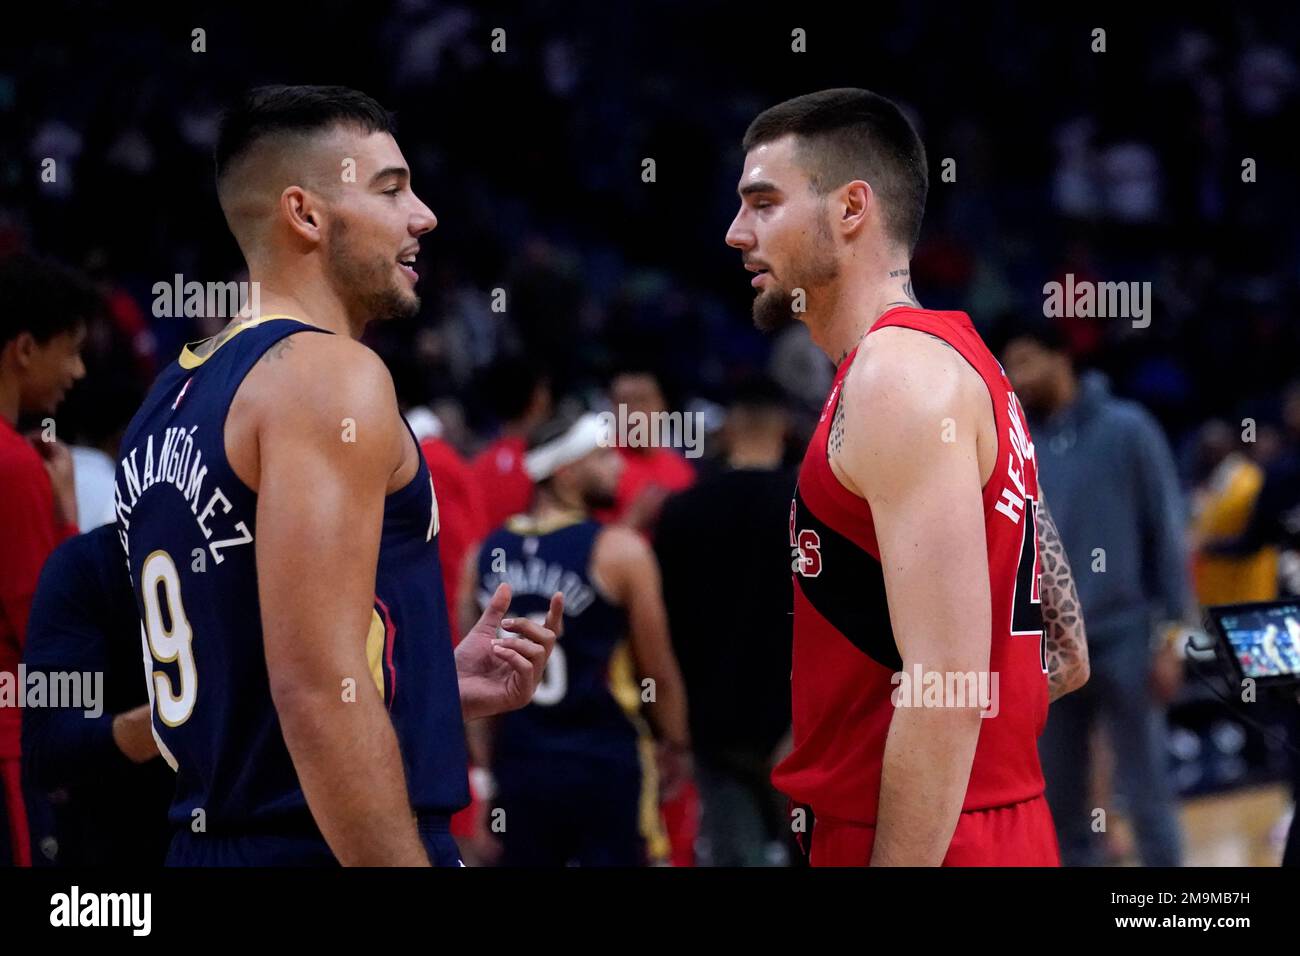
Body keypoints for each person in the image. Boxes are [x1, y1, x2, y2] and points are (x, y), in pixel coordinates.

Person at [111, 85, 559, 866]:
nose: (425, 216)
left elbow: (249, 668)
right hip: (324, 843)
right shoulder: (328, 374)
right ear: (306, 214)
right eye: (391, 190)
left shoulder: (168, 399)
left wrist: (419, 677)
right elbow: (316, 693)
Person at [724, 88, 1090, 866]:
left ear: (851, 208)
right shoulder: (963, 357)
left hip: (923, 831)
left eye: (762, 203)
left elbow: (947, 693)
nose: (736, 233)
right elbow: (1068, 643)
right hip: (988, 812)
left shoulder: (892, 379)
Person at [1000, 319, 1194, 867]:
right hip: (1051, 645)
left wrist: (1174, 635)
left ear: (1062, 357)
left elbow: (1167, 532)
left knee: (1148, 788)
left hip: (1127, 634)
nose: (1015, 379)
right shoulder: (1021, 443)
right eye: (1009, 366)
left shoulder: (1127, 428)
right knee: (1058, 801)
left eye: (1025, 361)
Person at [460, 412, 690, 865]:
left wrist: (485, 776)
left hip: (520, 766)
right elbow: (658, 670)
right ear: (564, 471)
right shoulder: (621, 551)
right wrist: (676, 741)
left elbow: (474, 682)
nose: (620, 467)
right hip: (605, 761)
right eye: (603, 455)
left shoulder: (481, 554)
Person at [655, 377, 797, 865]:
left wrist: (673, 727)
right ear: (783, 428)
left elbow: (662, 629)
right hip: (803, 728)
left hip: (714, 727)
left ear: (728, 427)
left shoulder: (680, 510)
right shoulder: (813, 505)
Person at [0, 252, 91, 866]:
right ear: (26, 348)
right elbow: (51, 635)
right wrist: (64, 518)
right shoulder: (13, 467)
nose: (79, 370)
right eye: (72, 348)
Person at [22, 525, 173, 865]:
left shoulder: (275, 550)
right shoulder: (87, 566)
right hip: (124, 849)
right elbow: (47, 742)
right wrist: (177, 717)